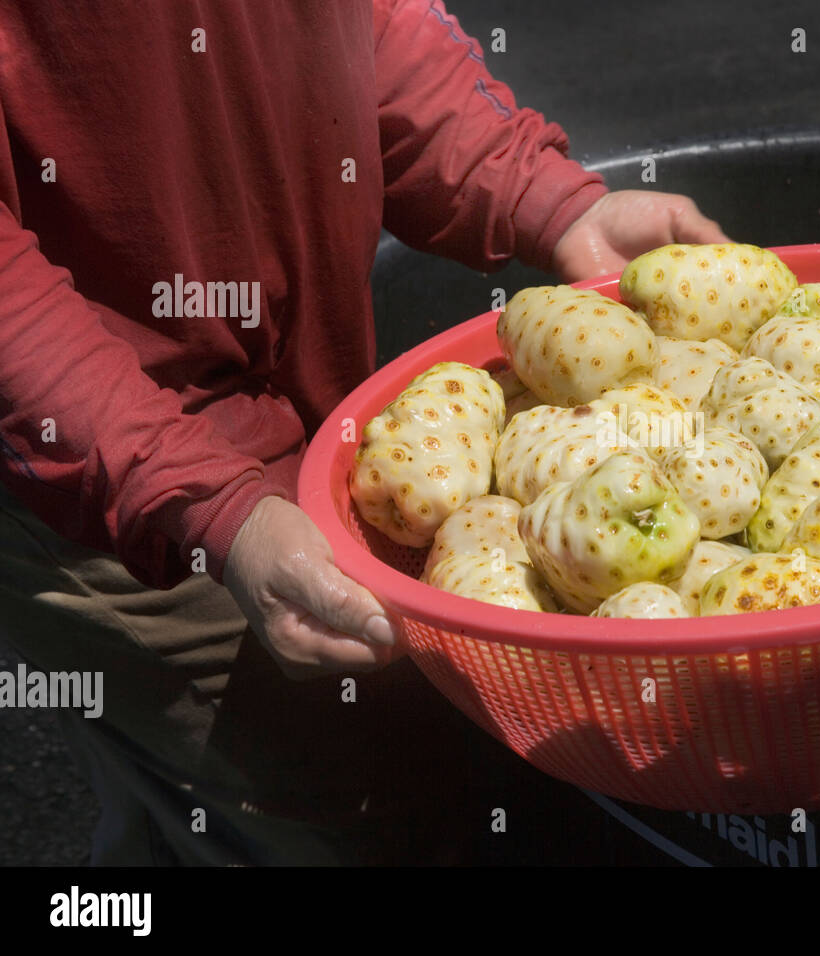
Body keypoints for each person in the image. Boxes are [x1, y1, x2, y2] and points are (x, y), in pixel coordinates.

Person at [0, 0, 727, 864]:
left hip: (285, 425)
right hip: (106, 486)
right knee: (343, 794)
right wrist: (205, 505)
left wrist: (539, 193)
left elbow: (360, 19)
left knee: (179, 790)